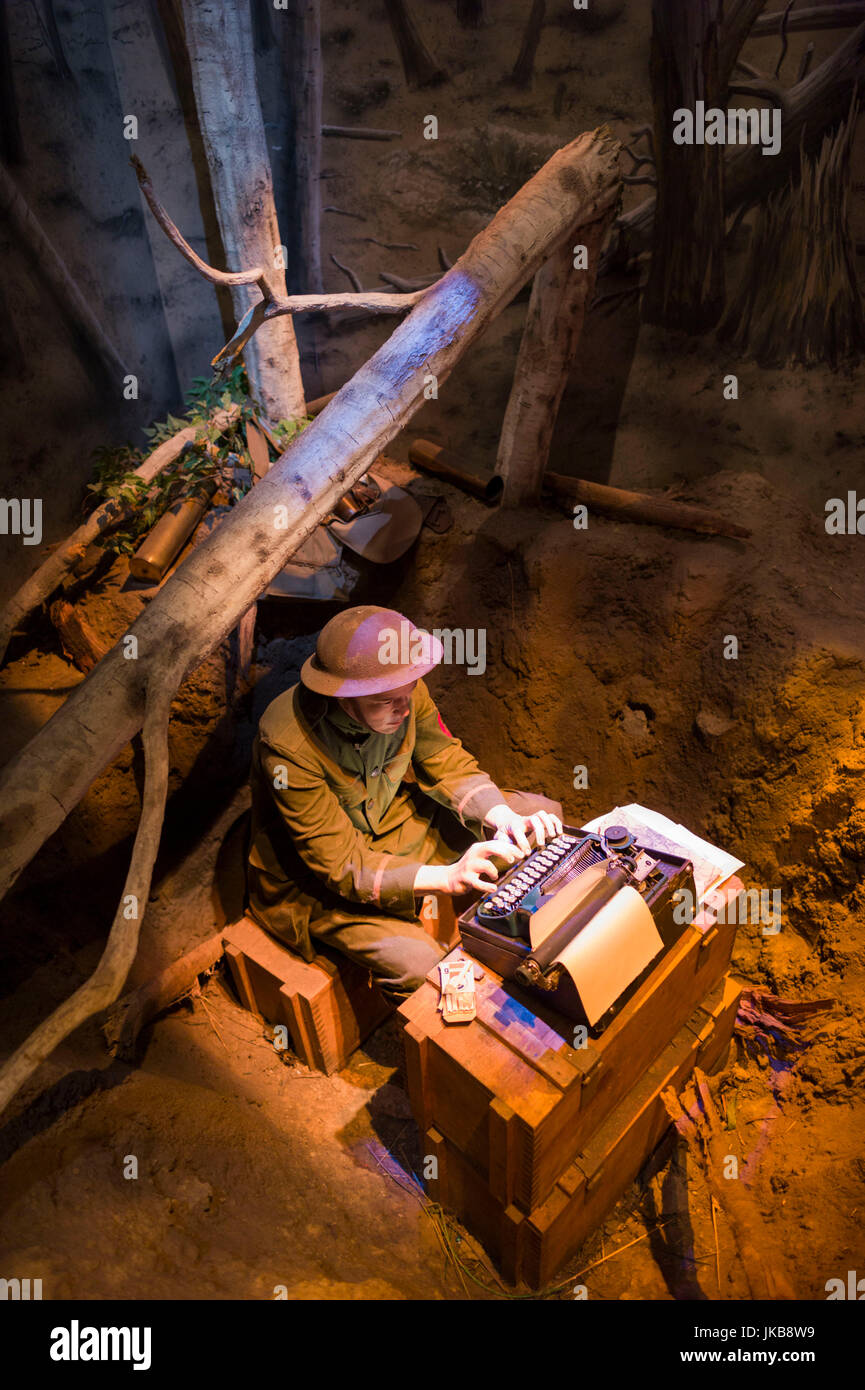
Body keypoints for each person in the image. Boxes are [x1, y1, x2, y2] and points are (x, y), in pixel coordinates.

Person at [247, 605, 563, 1000]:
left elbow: (444, 760)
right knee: (423, 970)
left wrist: (502, 816)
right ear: (347, 700)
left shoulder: (401, 689)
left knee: (541, 816)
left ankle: (522, 935)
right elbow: (343, 866)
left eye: (409, 690)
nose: (406, 707)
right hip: (321, 881)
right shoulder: (289, 744)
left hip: (401, 824)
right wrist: (448, 877)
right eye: (386, 702)